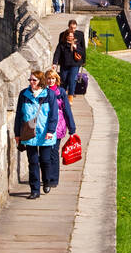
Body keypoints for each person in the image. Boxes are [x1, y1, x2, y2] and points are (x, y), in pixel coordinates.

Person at [13, 69, 51, 200]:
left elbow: (53, 115)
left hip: (45, 133)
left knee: (45, 160)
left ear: (41, 81)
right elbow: (19, 115)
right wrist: (17, 134)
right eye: (30, 80)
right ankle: (35, 190)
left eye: (34, 80)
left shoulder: (49, 95)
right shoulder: (24, 94)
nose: (31, 82)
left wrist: (51, 131)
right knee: (33, 162)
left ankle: (46, 181)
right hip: (29, 133)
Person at [39, 66, 76, 192]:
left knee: (54, 152)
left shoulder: (60, 93)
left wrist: (72, 127)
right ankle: (46, 178)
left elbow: (67, 110)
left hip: (58, 125)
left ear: (56, 79)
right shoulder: (42, 92)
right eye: (48, 78)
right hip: (44, 125)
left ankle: (53, 179)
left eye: (53, 78)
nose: (51, 81)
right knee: (45, 153)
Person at [55, 29, 83, 101]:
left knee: (72, 80)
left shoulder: (76, 44)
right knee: (63, 80)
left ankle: (70, 96)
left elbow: (81, 53)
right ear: (66, 36)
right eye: (69, 36)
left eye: (72, 36)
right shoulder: (62, 44)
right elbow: (57, 54)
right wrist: (54, 63)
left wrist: (75, 48)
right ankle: (63, 95)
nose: (70, 37)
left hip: (74, 65)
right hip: (64, 65)